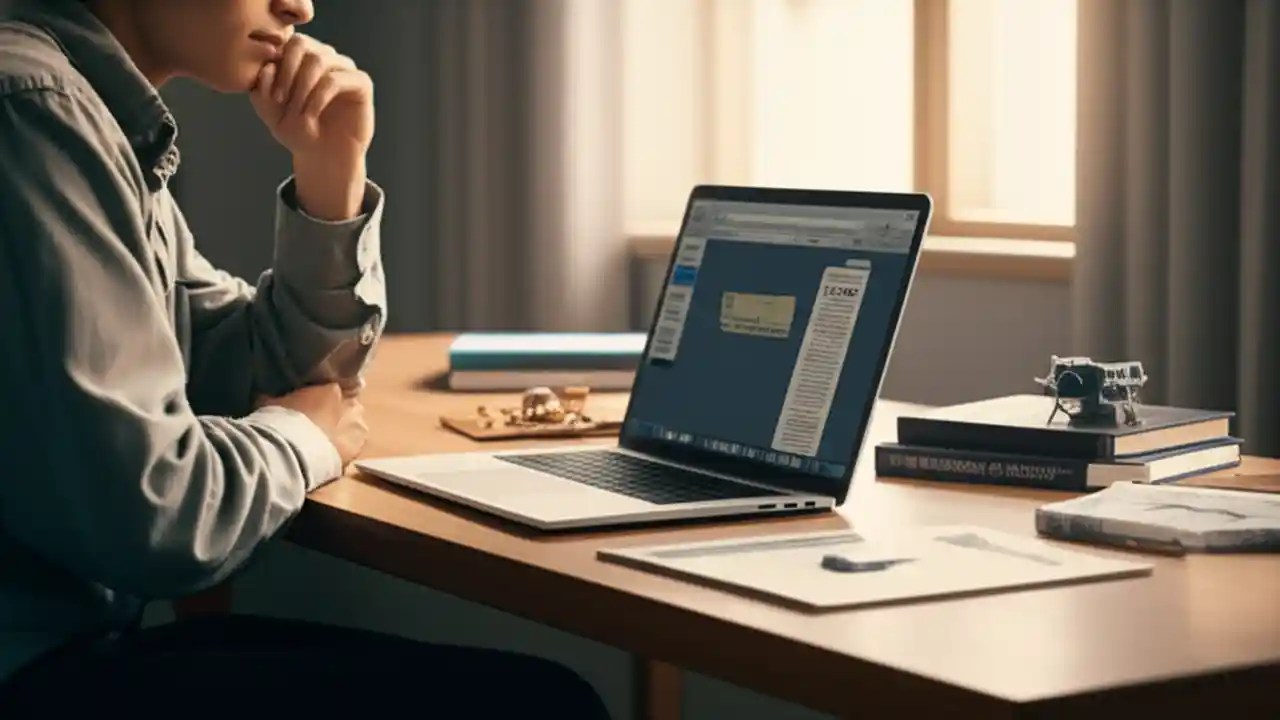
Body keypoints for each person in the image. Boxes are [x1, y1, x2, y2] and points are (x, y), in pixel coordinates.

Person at [0, 0, 609, 716]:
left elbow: (265, 368)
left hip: (68, 654)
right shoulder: (34, 109)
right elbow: (156, 513)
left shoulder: (90, 114)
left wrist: (331, 171)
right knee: (543, 706)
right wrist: (304, 438)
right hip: (34, 677)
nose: (301, 6)